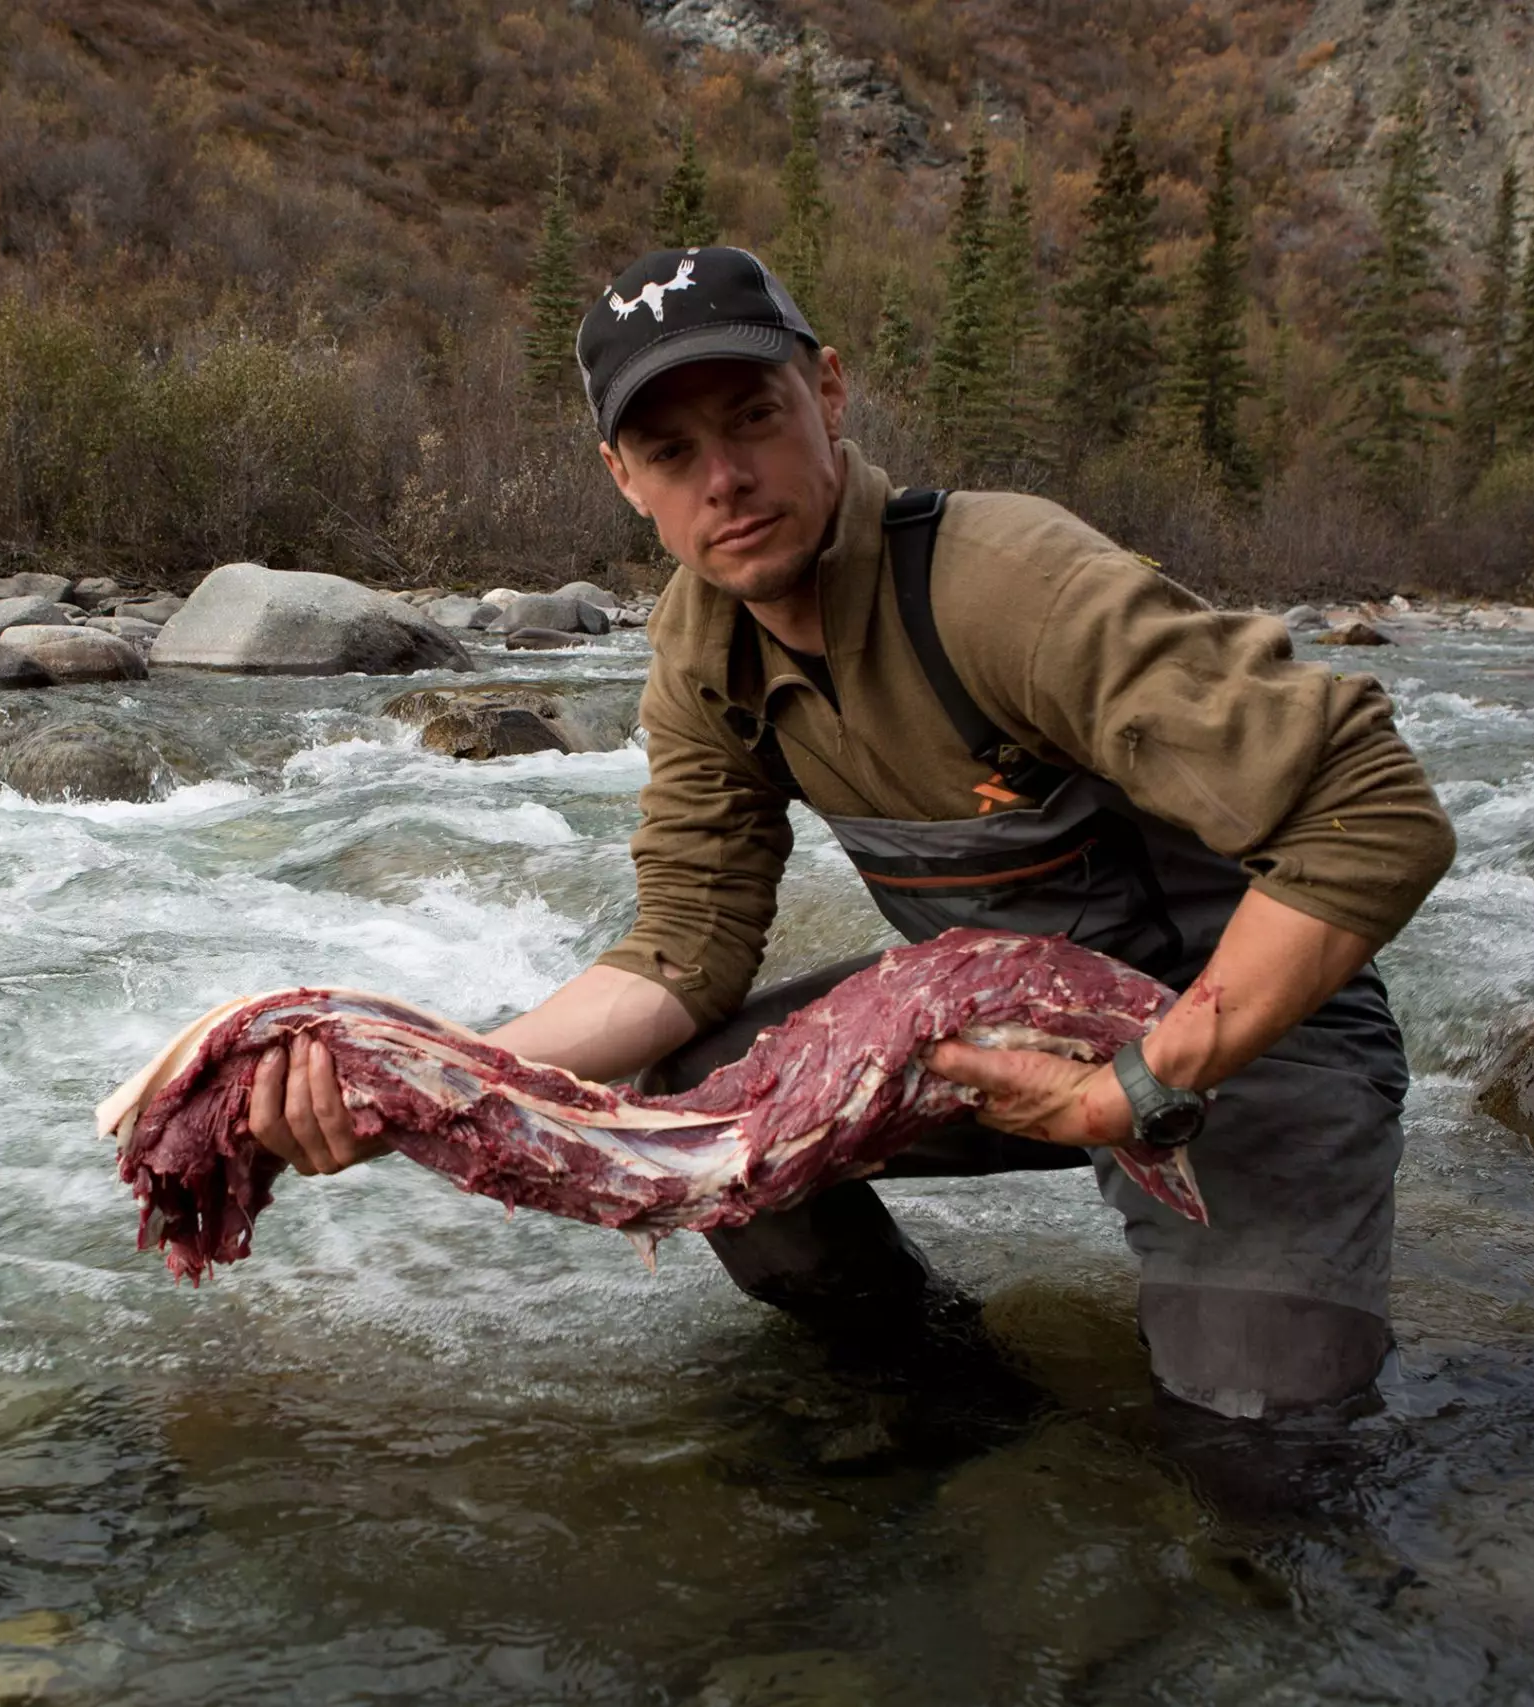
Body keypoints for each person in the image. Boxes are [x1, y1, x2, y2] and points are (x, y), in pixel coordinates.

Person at [242, 246, 1455, 1421]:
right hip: (982, 1041)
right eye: (672, 451)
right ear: (624, 476)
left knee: (1257, 1460)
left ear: (826, 394)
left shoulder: (1005, 582)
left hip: (1252, 1040)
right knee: (701, 1103)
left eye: (753, 418)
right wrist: (436, 1083)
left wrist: (1139, 1083)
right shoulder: (699, 648)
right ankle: (935, 1394)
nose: (724, 478)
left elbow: (1374, 814)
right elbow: (682, 952)